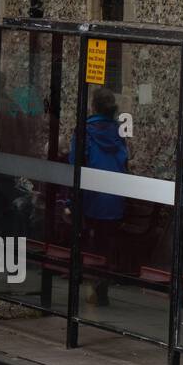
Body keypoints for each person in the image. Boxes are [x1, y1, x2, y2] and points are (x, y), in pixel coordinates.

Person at [69, 87, 129, 305]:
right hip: (114, 198)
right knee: (106, 244)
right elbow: (124, 162)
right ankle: (101, 290)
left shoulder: (84, 131)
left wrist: (71, 200)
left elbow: (75, 165)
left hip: (92, 197)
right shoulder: (119, 133)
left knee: (88, 243)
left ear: (93, 107)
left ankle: (89, 288)